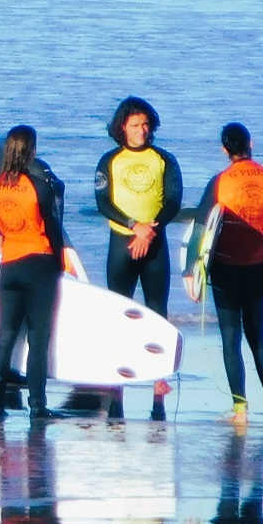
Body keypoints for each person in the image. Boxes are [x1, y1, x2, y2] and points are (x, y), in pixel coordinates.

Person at [182, 124, 263, 428]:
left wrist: (191, 270)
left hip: (226, 267)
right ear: (250, 143)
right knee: (258, 338)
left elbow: (202, 227)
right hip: (259, 265)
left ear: (224, 149)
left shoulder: (220, 181)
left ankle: (240, 410)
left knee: (231, 338)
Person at [91, 96, 182, 418]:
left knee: (158, 311)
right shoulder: (110, 160)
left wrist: (150, 230)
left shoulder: (164, 159)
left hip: (155, 244)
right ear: (122, 128)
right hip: (122, 243)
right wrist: (134, 227)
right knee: (120, 311)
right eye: (134, 125)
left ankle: (158, 378)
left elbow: (173, 201)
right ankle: (118, 374)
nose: (141, 131)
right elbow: (102, 201)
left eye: (145, 125)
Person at [0, 125, 76, 424]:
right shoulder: (40, 187)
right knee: (38, 338)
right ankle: (37, 406)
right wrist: (59, 262)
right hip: (39, 264)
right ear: (31, 152)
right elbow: (53, 228)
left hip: (8, 266)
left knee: (5, 334)